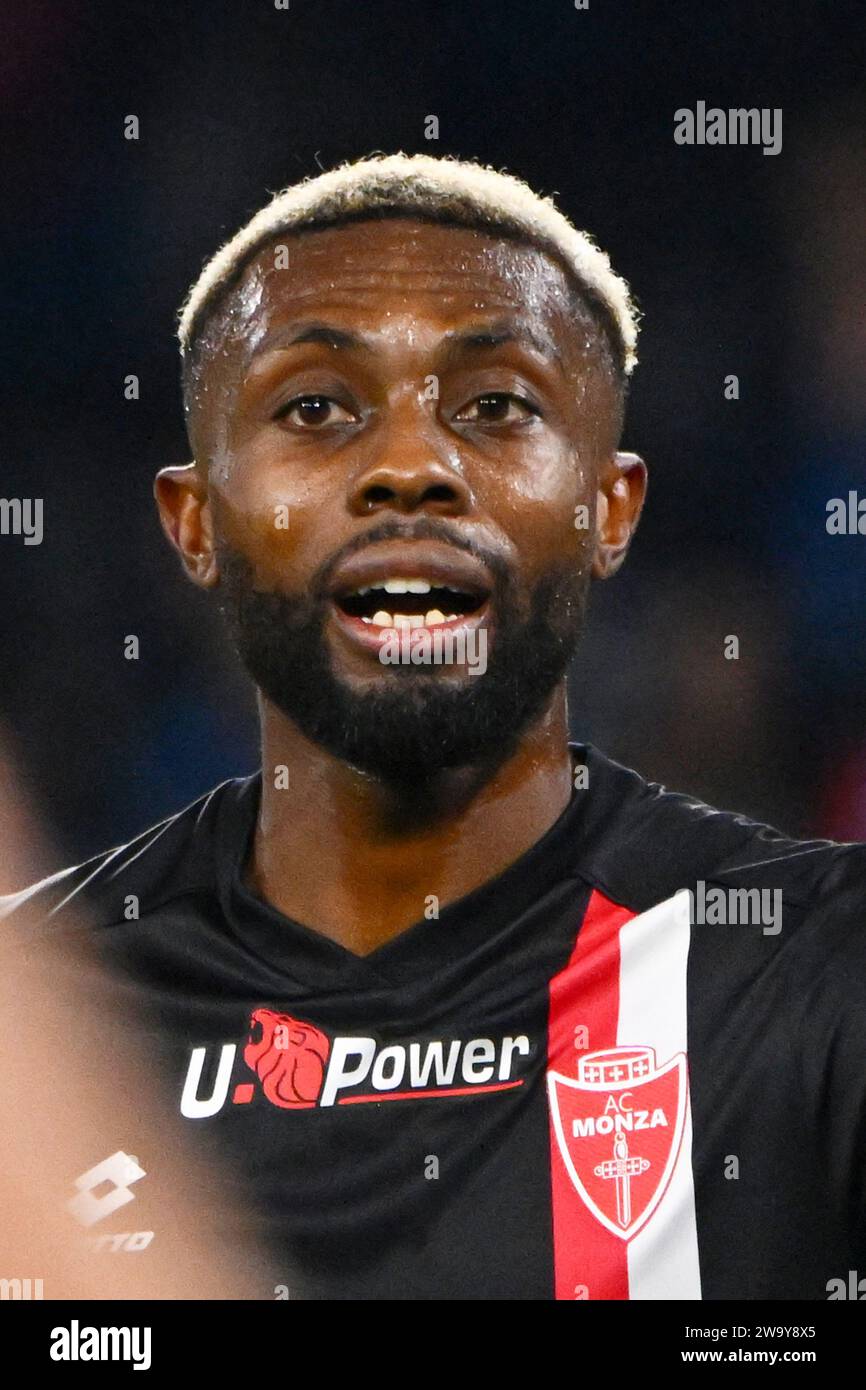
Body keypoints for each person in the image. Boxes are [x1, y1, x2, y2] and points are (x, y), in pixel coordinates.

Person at [3, 153, 864, 1300]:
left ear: (608, 510)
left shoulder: (814, 976)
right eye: (315, 407)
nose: (409, 467)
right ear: (194, 521)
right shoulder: (47, 1032)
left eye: (494, 407)